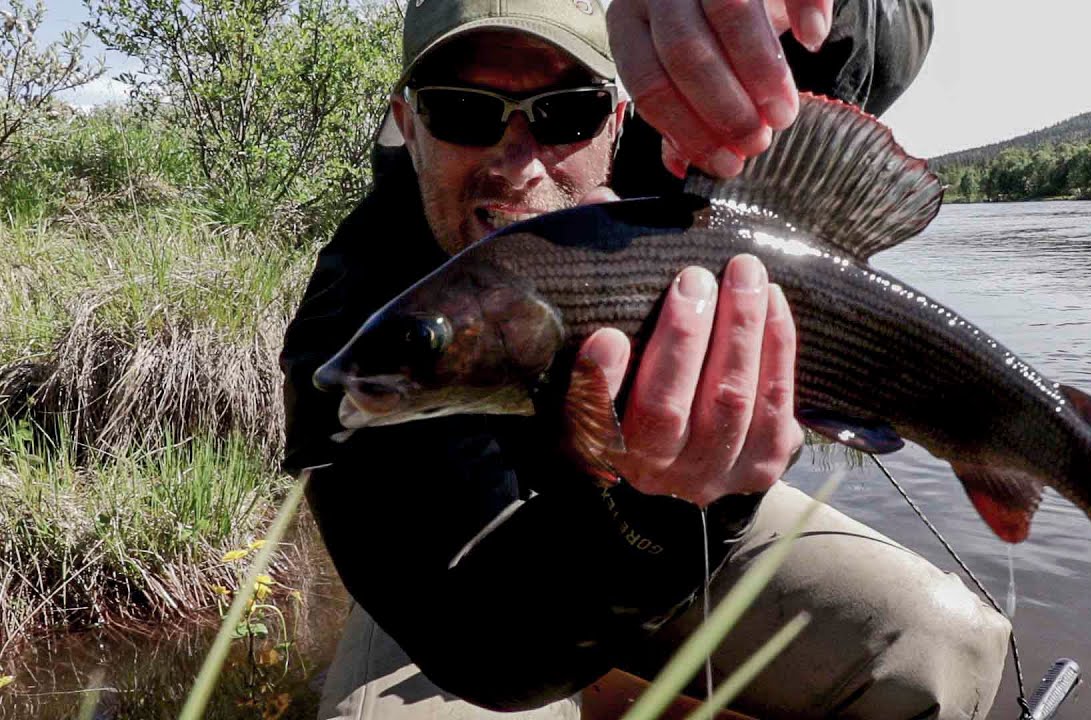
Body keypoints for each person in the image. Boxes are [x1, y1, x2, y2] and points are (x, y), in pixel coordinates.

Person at [279, 0, 1012, 718]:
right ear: (409, 126)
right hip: (465, 580)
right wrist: (652, 517)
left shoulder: (684, 136)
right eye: (461, 113)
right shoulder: (363, 324)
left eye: (564, 113)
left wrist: (813, 9)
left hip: (679, 524)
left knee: (941, 646)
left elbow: (888, 32)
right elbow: (491, 660)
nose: (518, 165)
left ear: (617, 115)